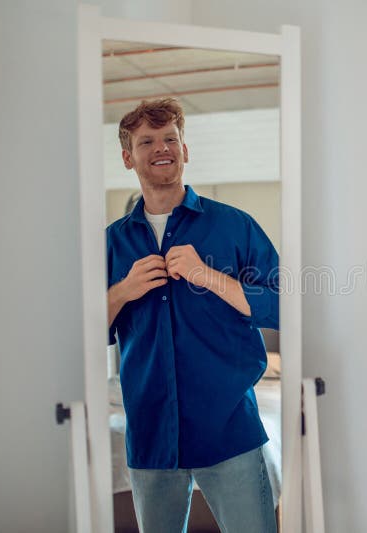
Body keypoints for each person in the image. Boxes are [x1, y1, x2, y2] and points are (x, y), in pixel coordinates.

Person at [106, 98, 279, 532]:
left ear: (185, 151)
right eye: (146, 141)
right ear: (129, 158)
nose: (161, 147)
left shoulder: (235, 226)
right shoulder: (108, 244)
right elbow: (78, 332)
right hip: (149, 434)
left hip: (230, 430)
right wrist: (123, 291)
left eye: (170, 138)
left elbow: (282, 305)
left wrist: (208, 275)